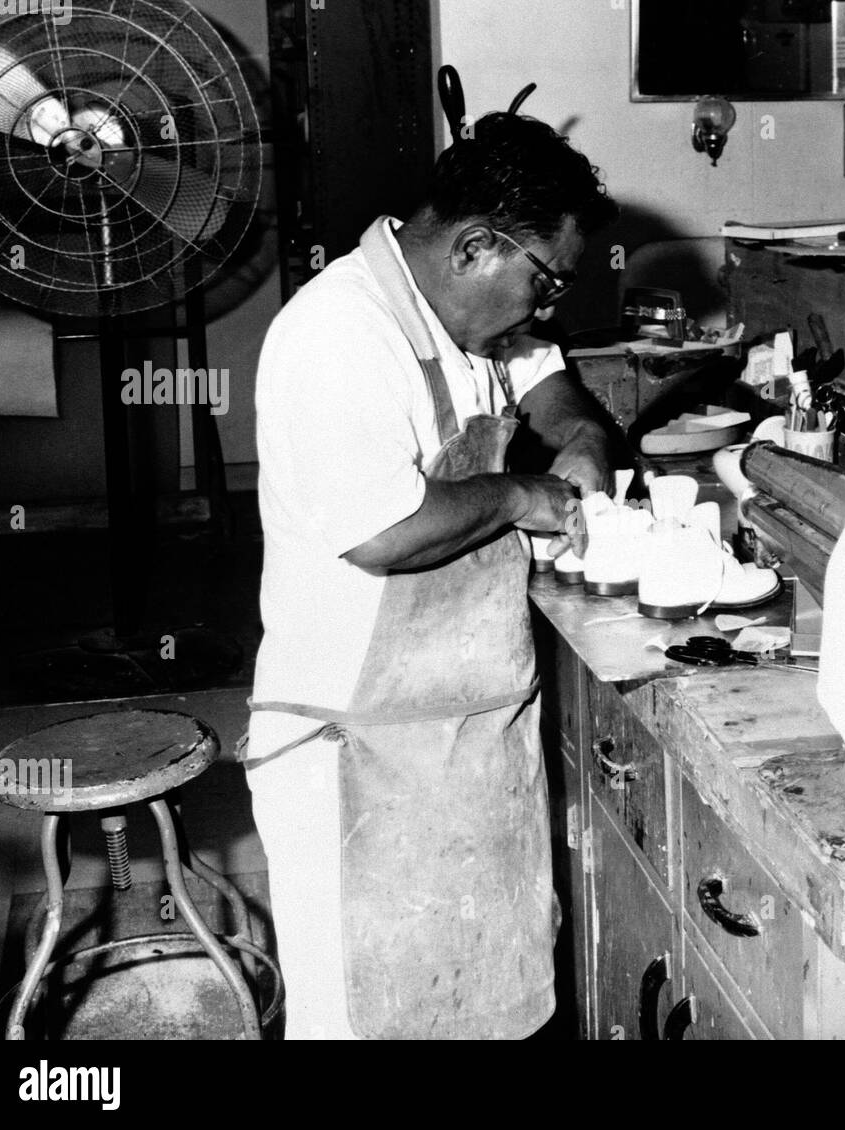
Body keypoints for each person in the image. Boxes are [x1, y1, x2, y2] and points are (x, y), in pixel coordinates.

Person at [245, 111, 619, 1039]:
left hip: (470, 744)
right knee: (367, 1019)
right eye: (546, 281)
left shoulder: (474, 311)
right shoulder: (339, 335)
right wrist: (523, 495)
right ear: (476, 248)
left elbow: (556, 391)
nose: (547, 307)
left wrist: (579, 440)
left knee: (484, 1009)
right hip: (357, 759)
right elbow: (384, 531)